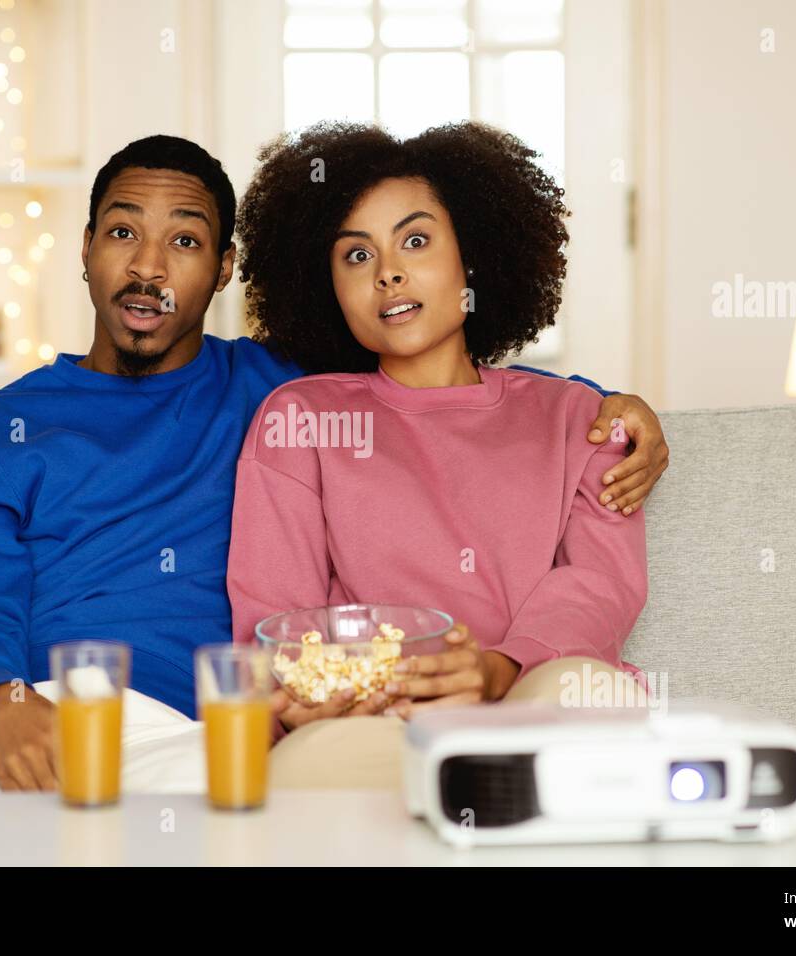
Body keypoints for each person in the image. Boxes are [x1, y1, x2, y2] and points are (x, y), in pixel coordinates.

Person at [0, 134, 669, 861]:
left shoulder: (274, 389)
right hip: (8, 716)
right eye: (122, 233)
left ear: (224, 269)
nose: (149, 267)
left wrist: (614, 410)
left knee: (245, 829)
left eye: (184, 241)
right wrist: (3, 704)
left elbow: (446, 384)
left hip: (180, 735)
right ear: (85, 250)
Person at [227, 121, 652, 787]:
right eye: (356, 256)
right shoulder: (301, 418)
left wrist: (496, 670)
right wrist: (317, 698)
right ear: (327, 285)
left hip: (538, 698)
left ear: (473, 258)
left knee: (587, 692)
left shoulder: (581, 421)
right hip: (375, 722)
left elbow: (599, 587)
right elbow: (274, 613)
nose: (388, 272)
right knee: (307, 773)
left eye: (416, 241)